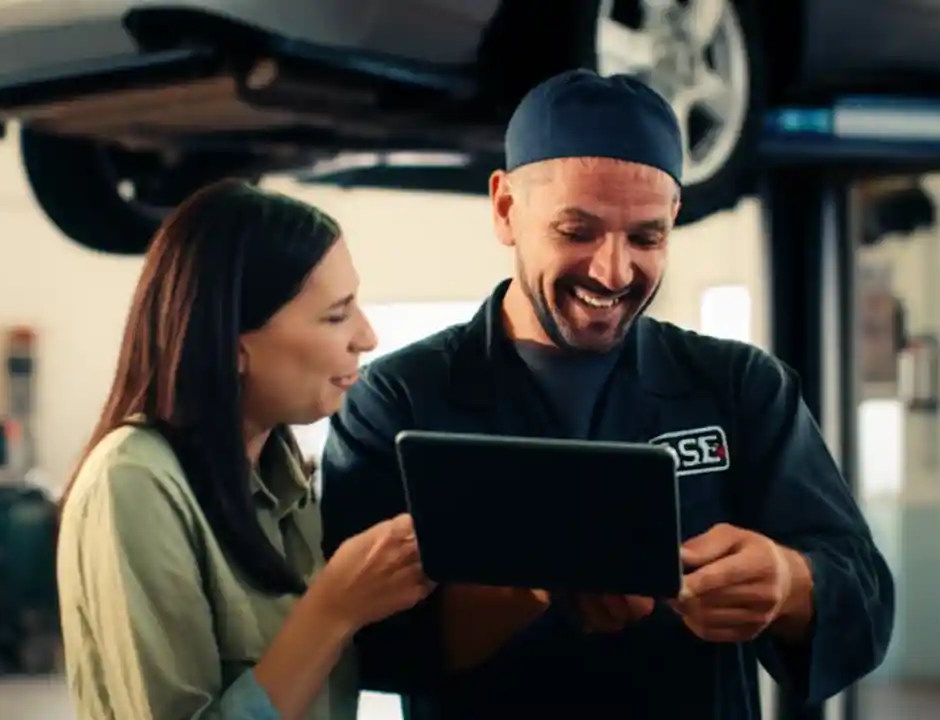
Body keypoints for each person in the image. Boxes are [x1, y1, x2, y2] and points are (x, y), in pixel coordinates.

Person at [318, 69, 896, 718]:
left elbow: (866, 599)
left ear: (674, 217)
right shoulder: (399, 401)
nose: (612, 270)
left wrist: (789, 582)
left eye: (646, 237)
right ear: (506, 209)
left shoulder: (738, 388)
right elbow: (351, 639)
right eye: (577, 231)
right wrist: (527, 585)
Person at [55, 179, 435, 720]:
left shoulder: (285, 482)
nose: (367, 337)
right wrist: (333, 610)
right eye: (336, 315)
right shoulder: (134, 480)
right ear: (234, 345)